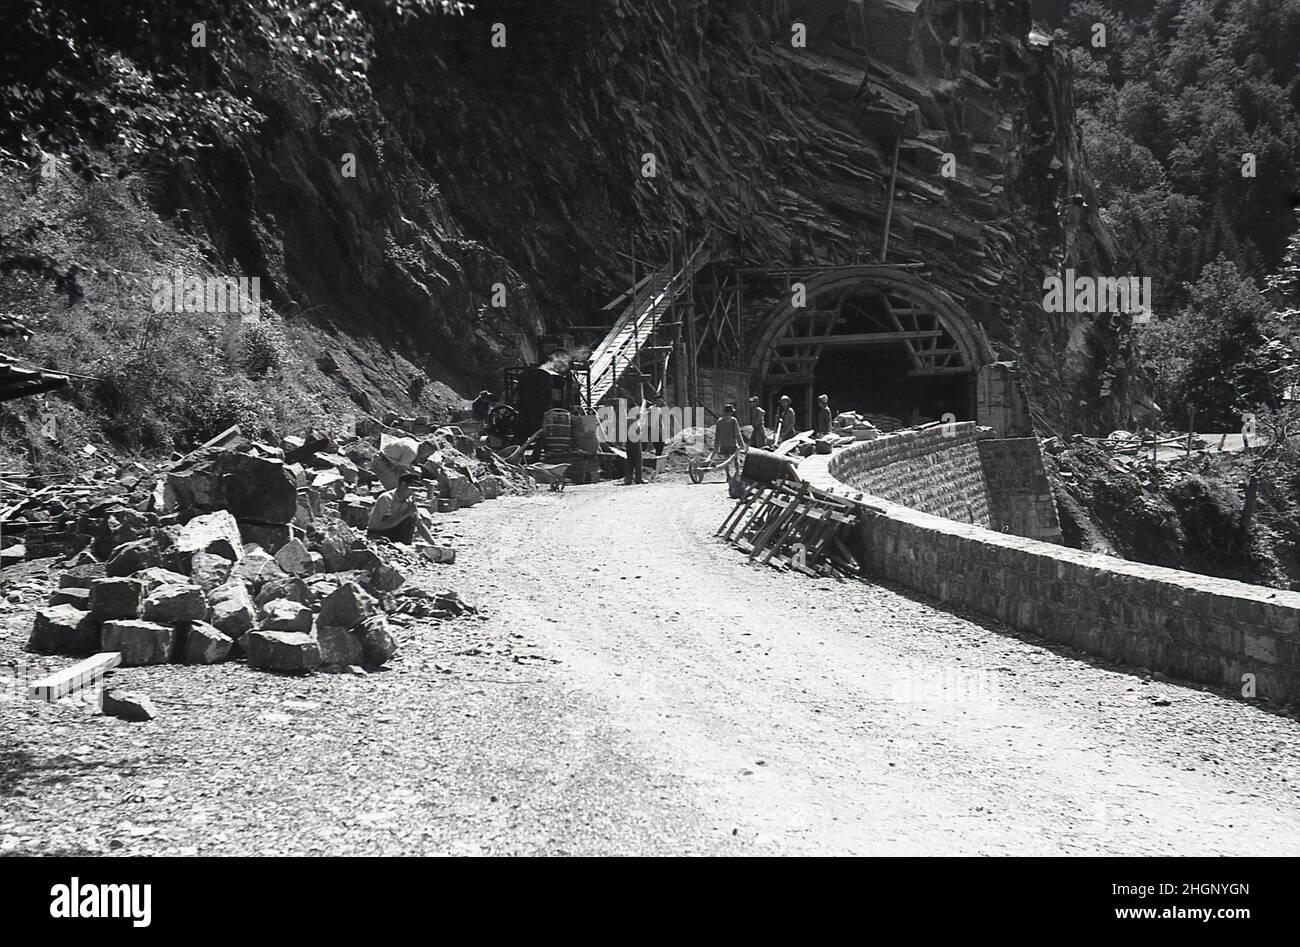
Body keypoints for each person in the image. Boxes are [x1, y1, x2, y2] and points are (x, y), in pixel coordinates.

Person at [368, 473, 436, 544]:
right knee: (409, 517)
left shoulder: (409, 501)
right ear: (403, 484)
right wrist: (406, 513)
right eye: (412, 488)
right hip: (378, 533)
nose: (413, 492)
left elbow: (420, 525)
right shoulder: (386, 498)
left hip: (394, 532)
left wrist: (432, 543)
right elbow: (385, 523)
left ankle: (404, 545)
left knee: (412, 518)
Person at [714, 403, 742, 477]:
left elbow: (717, 434)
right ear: (731, 412)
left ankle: (728, 475)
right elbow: (737, 433)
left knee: (725, 459)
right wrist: (741, 444)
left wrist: (716, 446)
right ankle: (737, 473)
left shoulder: (720, 420)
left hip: (723, 444)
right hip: (732, 443)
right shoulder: (733, 420)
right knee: (736, 459)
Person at [623, 402, 645, 485]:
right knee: (638, 461)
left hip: (628, 442)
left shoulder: (627, 420)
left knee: (630, 461)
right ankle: (638, 478)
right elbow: (638, 432)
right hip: (635, 442)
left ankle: (628, 479)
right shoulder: (635, 421)